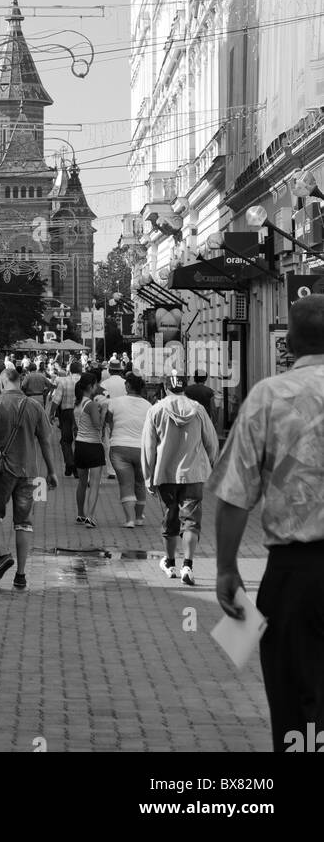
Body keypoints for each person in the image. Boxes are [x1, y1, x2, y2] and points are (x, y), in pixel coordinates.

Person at [212, 295, 324, 752]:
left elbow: (235, 495)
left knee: (296, 697)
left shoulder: (270, 395)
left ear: (291, 342)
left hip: (298, 575)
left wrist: (225, 568)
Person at [0, 366, 58, 588]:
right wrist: (52, 471)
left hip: (2, 472)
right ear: (20, 383)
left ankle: (3, 555)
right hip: (29, 472)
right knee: (23, 523)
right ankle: (20, 575)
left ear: (1, 384)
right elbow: (46, 441)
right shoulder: (35, 407)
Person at [141, 370, 219, 586]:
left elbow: (148, 447)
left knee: (170, 518)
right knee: (192, 522)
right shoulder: (198, 409)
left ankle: (170, 563)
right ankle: (188, 565)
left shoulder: (156, 409)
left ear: (166, 388)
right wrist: (211, 463)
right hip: (193, 474)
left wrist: (148, 476)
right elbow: (211, 441)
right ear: (184, 387)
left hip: (165, 474)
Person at [105, 373, 151, 527]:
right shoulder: (148, 406)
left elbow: (109, 422)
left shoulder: (115, 402)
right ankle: (139, 518)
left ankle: (129, 519)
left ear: (129, 386)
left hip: (119, 447)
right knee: (139, 483)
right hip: (142, 449)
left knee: (125, 484)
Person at [73, 374, 107, 527]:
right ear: (92, 386)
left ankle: (80, 513)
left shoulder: (78, 403)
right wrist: (104, 411)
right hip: (93, 446)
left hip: (80, 445)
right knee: (94, 484)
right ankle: (90, 517)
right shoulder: (91, 405)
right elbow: (98, 425)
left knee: (81, 483)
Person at [48, 361, 78, 476]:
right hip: (82, 413)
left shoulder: (64, 381)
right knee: (79, 440)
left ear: (70, 371)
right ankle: (77, 467)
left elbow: (56, 400)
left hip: (67, 413)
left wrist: (51, 413)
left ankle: (70, 462)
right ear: (80, 370)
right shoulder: (85, 380)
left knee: (66, 440)